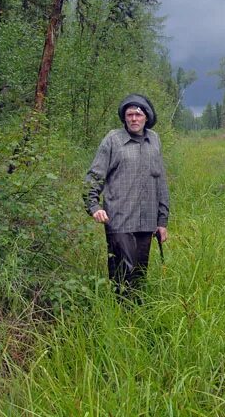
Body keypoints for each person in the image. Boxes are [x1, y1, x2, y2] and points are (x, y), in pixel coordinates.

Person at [84, 93, 169, 300]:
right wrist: (94, 206)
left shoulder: (154, 140)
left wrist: (162, 221)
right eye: (129, 115)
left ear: (146, 117)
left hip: (147, 220)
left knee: (139, 274)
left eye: (138, 115)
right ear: (124, 117)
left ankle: (137, 313)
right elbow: (94, 176)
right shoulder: (113, 140)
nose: (133, 119)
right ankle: (122, 312)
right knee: (122, 274)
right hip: (119, 219)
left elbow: (160, 181)